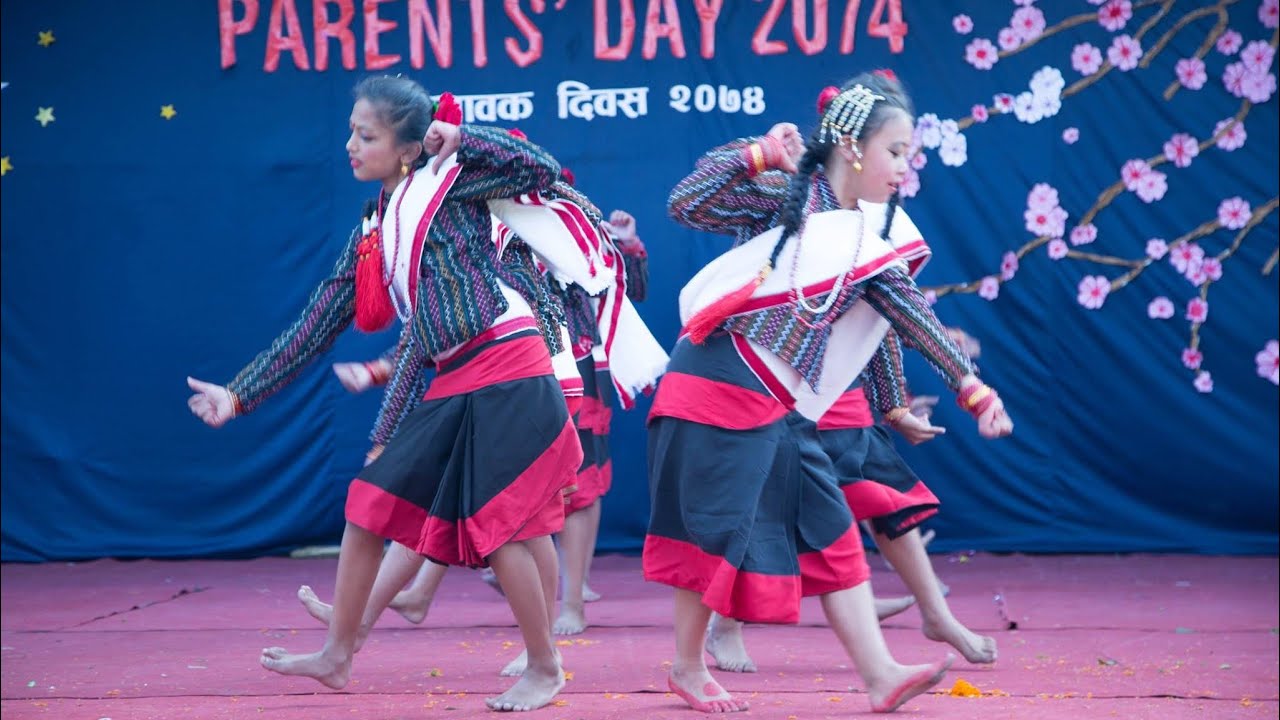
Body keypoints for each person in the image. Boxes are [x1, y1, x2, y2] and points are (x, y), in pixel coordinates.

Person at [186, 75, 578, 712]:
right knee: (369, 504)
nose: (349, 145)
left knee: (497, 527)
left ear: (407, 146)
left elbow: (542, 168)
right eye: (350, 132)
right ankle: (338, 655)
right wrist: (240, 394)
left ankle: (545, 666)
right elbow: (321, 318)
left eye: (364, 135)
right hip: (458, 376)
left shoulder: (451, 183)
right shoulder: (374, 226)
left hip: (510, 362)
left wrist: (463, 139)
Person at [648, 70, 1013, 713]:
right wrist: (758, 153)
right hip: (718, 383)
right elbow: (687, 201)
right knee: (715, 533)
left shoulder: (868, 240)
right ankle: (687, 666)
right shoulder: (786, 191)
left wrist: (972, 388)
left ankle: (879, 674)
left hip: (782, 407)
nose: (905, 169)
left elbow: (908, 317)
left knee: (833, 527)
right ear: (852, 147)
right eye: (896, 153)